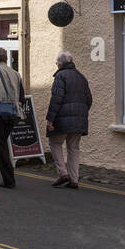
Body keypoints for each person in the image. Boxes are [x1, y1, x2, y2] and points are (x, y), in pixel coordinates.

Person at [45, 51, 92, 189]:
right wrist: (80, 113)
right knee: (73, 148)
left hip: (62, 119)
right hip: (79, 120)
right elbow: (89, 100)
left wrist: (50, 120)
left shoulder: (60, 76)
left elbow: (56, 99)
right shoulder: (81, 77)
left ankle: (63, 173)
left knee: (55, 143)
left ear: (60, 64)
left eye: (56, 63)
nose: (56, 65)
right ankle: (74, 179)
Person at [0, 48, 25, 188]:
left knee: (0, 147)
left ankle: (9, 180)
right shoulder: (16, 74)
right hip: (12, 114)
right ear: (6, 58)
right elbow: (22, 97)